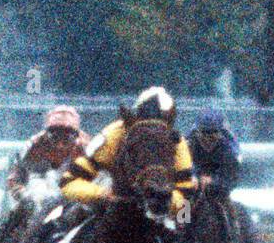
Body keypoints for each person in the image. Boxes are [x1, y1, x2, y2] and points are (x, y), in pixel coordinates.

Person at [58, 86, 196, 218]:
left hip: (160, 210)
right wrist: (102, 194)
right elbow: (68, 181)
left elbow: (186, 198)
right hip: (112, 198)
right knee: (68, 218)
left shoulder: (177, 142)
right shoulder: (113, 135)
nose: (151, 134)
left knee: (188, 223)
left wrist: (165, 201)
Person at [6, 105, 90, 201]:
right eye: (55, 137)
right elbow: (14, 178)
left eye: (67, 138)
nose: (60, 145)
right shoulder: (34, 146)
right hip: (39, 196)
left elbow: (100, 177)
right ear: (46, 135)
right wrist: (24, 196)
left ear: (76, 137)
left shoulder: (86, 147)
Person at [185, 107, 242, 197]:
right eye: (203, 135)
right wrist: (192, 176)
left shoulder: (230, 150)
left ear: (220, 134)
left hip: (219, 189)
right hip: (193, 187)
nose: (207, 140)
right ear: (196, 133)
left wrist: (214, 181)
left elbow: (232, 179)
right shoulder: (188, 144)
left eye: (212, 137)